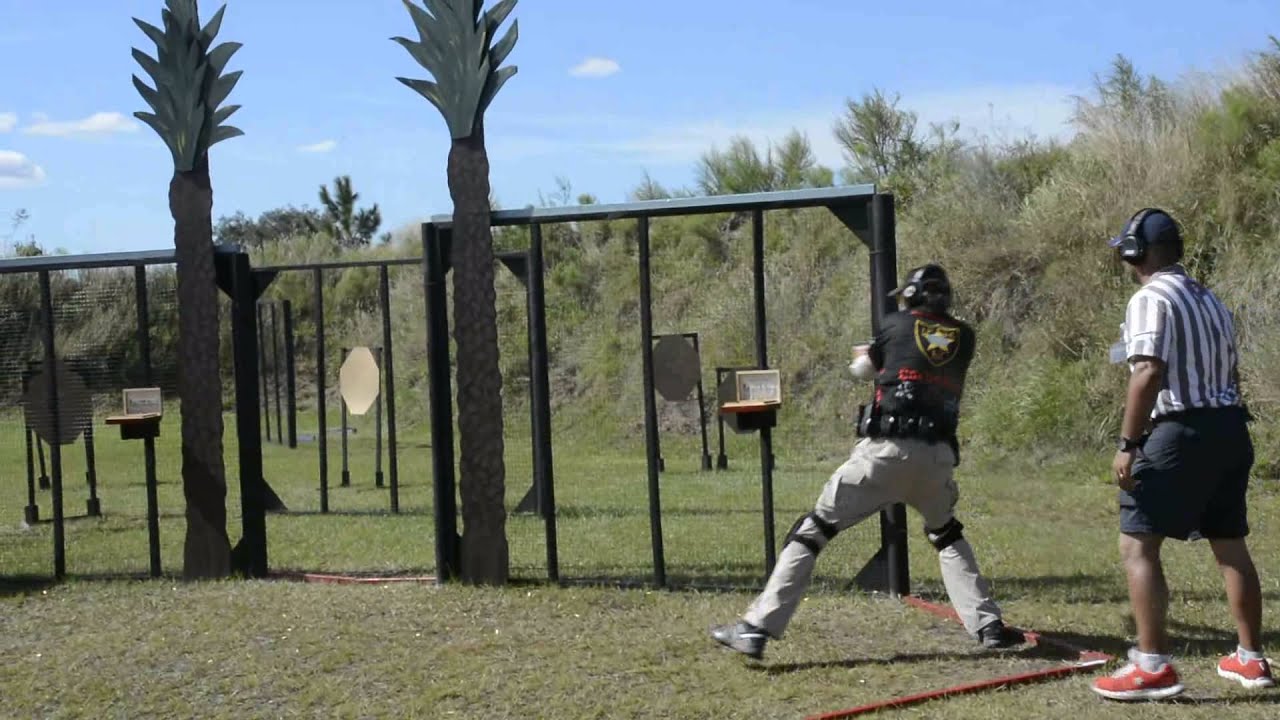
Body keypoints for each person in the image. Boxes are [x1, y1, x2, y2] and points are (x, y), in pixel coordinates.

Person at [710, 263, 1021, 660]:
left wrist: (866, 351)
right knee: (946, 535)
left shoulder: (895, 324)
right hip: (937, 458)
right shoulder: (966, 336)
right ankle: (988, 625)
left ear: (913, 295)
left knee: (812, 531)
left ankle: (756, 628)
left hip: (885, 453)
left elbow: (862, 369)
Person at [1091, 208, 1273, 701]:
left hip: (1180, 430)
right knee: (1230, 543)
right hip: (1230, 427)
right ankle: (1250, 657)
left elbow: (1147, 371)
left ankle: (1151, 665)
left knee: (1137, 544)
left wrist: (1128, 443)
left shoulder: (1150, 298)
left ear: (1137, 252)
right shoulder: (1209, 298)